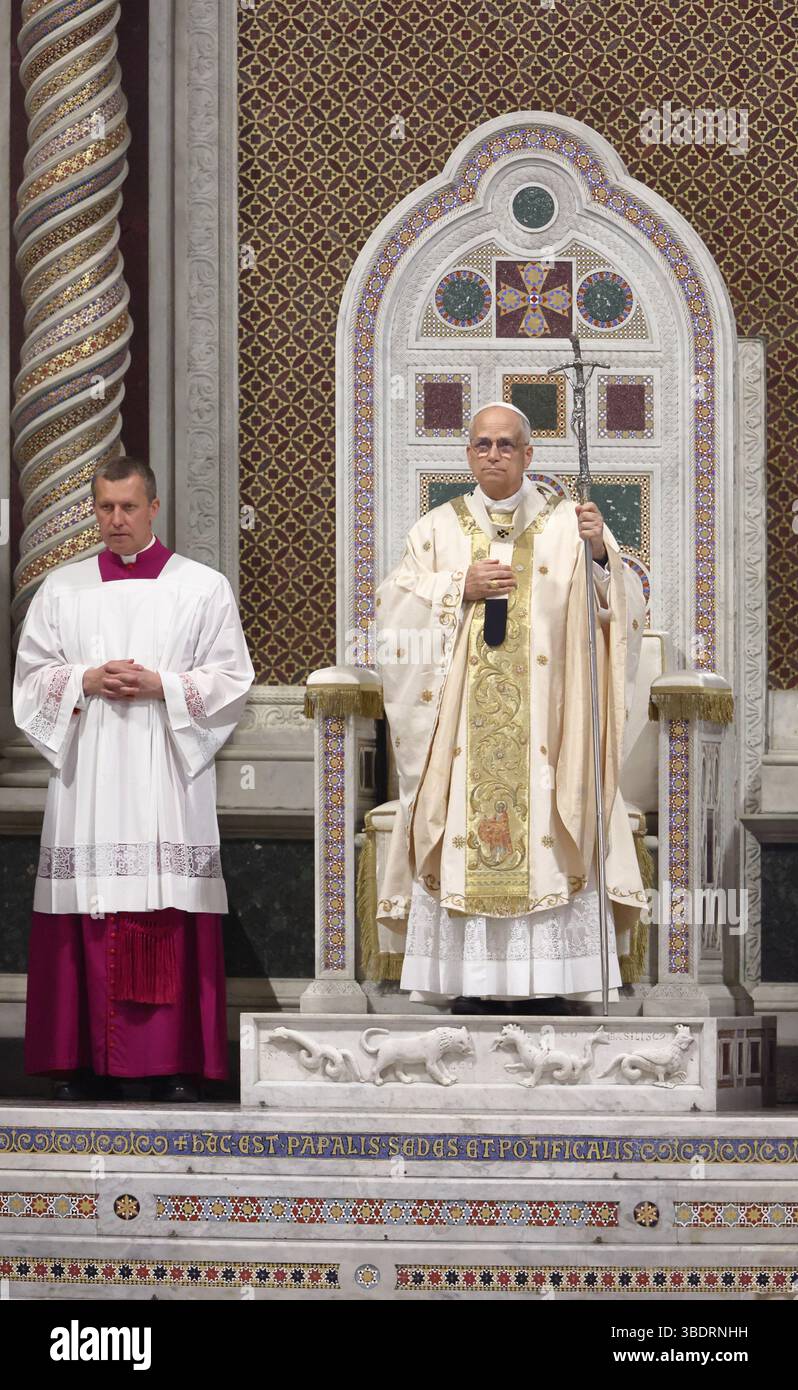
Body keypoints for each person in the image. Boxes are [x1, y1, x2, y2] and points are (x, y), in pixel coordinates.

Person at [375, 402, 647, 1014]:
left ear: (529, 455)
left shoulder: (566, 524)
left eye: (505, 445)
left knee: (547, 836)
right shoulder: (437, 530)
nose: (493, 454)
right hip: (463, 737)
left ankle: (548, 981)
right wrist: (456, 590)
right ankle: (471, 981)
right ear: (468, 455)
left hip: (548, 730)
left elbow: (619, 612)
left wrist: (601, 551)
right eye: (481, 445)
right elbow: (393, 617)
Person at [14, 457, 254, 1100]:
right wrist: (83, 680)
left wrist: (163, 686)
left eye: (127, 507)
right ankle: (81, 1060)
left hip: (164, 776)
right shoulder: (62, 590)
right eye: (104, 508)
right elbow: (30, 678)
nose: (115, 521)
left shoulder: (201, 587)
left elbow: (231, 680)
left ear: (153, 507)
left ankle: (171, 1062)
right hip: (88, 773)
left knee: (163, 905)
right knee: (85, 907)